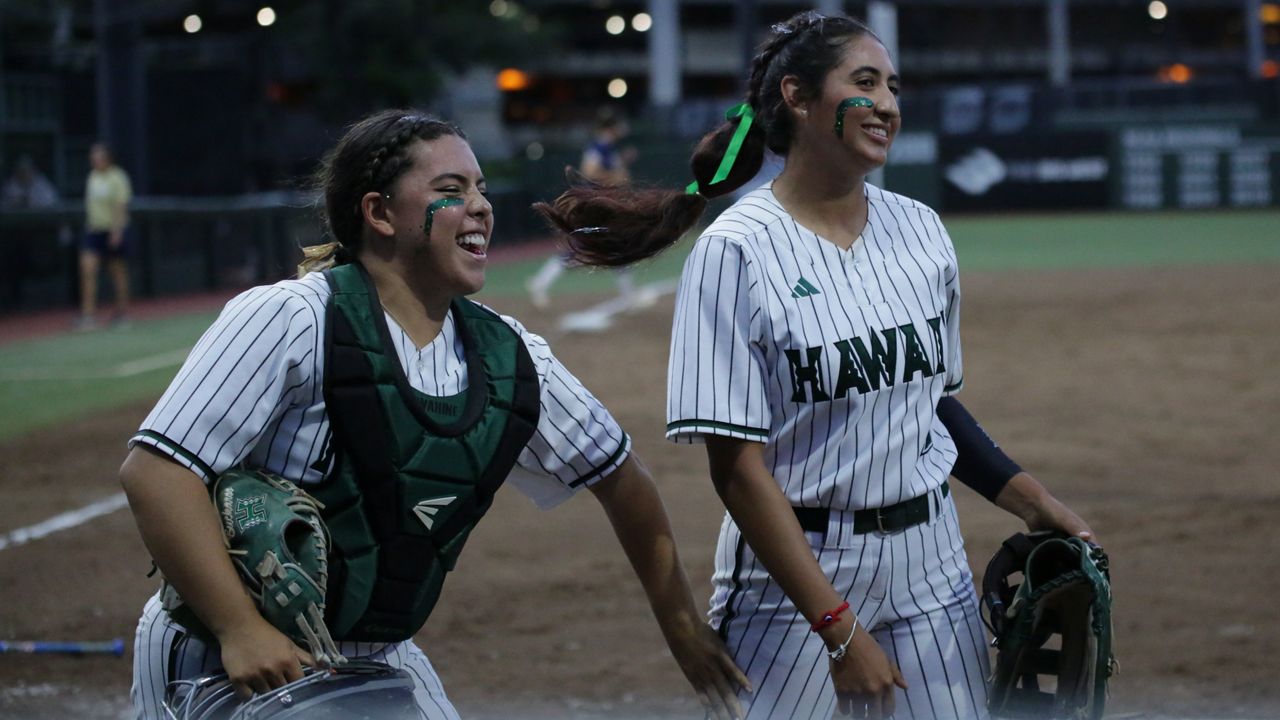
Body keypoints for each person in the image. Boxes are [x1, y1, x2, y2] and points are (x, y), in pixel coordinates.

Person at [534, 11, 1096, 720]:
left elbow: (924, 406)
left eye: (892, 84)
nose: (888, 103)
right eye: (864, 83)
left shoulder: (920, 229)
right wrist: (837, 628)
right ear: (799, 98)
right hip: (794, 575)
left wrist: (1032, 500)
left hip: (933, 561)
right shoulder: (737, 249)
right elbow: (736, 469)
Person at [118, 109, 749, 720]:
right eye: (451, 190)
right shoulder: (292, 318)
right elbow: (156, 474)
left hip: (377, 656)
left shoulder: (509, 356)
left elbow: (622, 478)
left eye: (480, 188)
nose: (480, 206)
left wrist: (684, 628)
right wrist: (240, 629)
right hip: (220, 652)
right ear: (379, 213)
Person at [525, 110, 637, 310]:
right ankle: (539, 283)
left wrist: (621, 166)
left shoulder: (608, 147)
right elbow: (589, 172)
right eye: (618, 124)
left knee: (614, 245)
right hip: (595, 206)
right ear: (610, 127)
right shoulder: (600, 146)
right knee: (587, 247)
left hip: (601, 205)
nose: (623, 128)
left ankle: (628, 296)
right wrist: (615, 176)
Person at [78, 142, 133, 329]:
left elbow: (121, 205)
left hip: (112, 231)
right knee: (88, 269)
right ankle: (88, 316)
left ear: (108, 158)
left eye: (99, 156)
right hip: (94, 230)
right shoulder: (92, 176)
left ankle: (122, 313)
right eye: (93, 157)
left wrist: (117, 231)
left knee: (117, 272)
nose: (95, 160)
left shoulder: (117, 177)